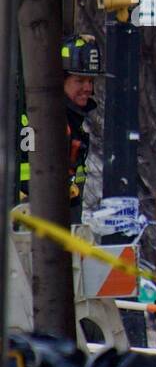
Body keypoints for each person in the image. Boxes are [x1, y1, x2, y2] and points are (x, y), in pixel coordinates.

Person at [18, 33, 102, 225]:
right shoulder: (40, 121)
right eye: (79, 81)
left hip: (62, 227)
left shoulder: (72, 120)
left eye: (90, 81)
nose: (87, 88)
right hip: (33, 228)